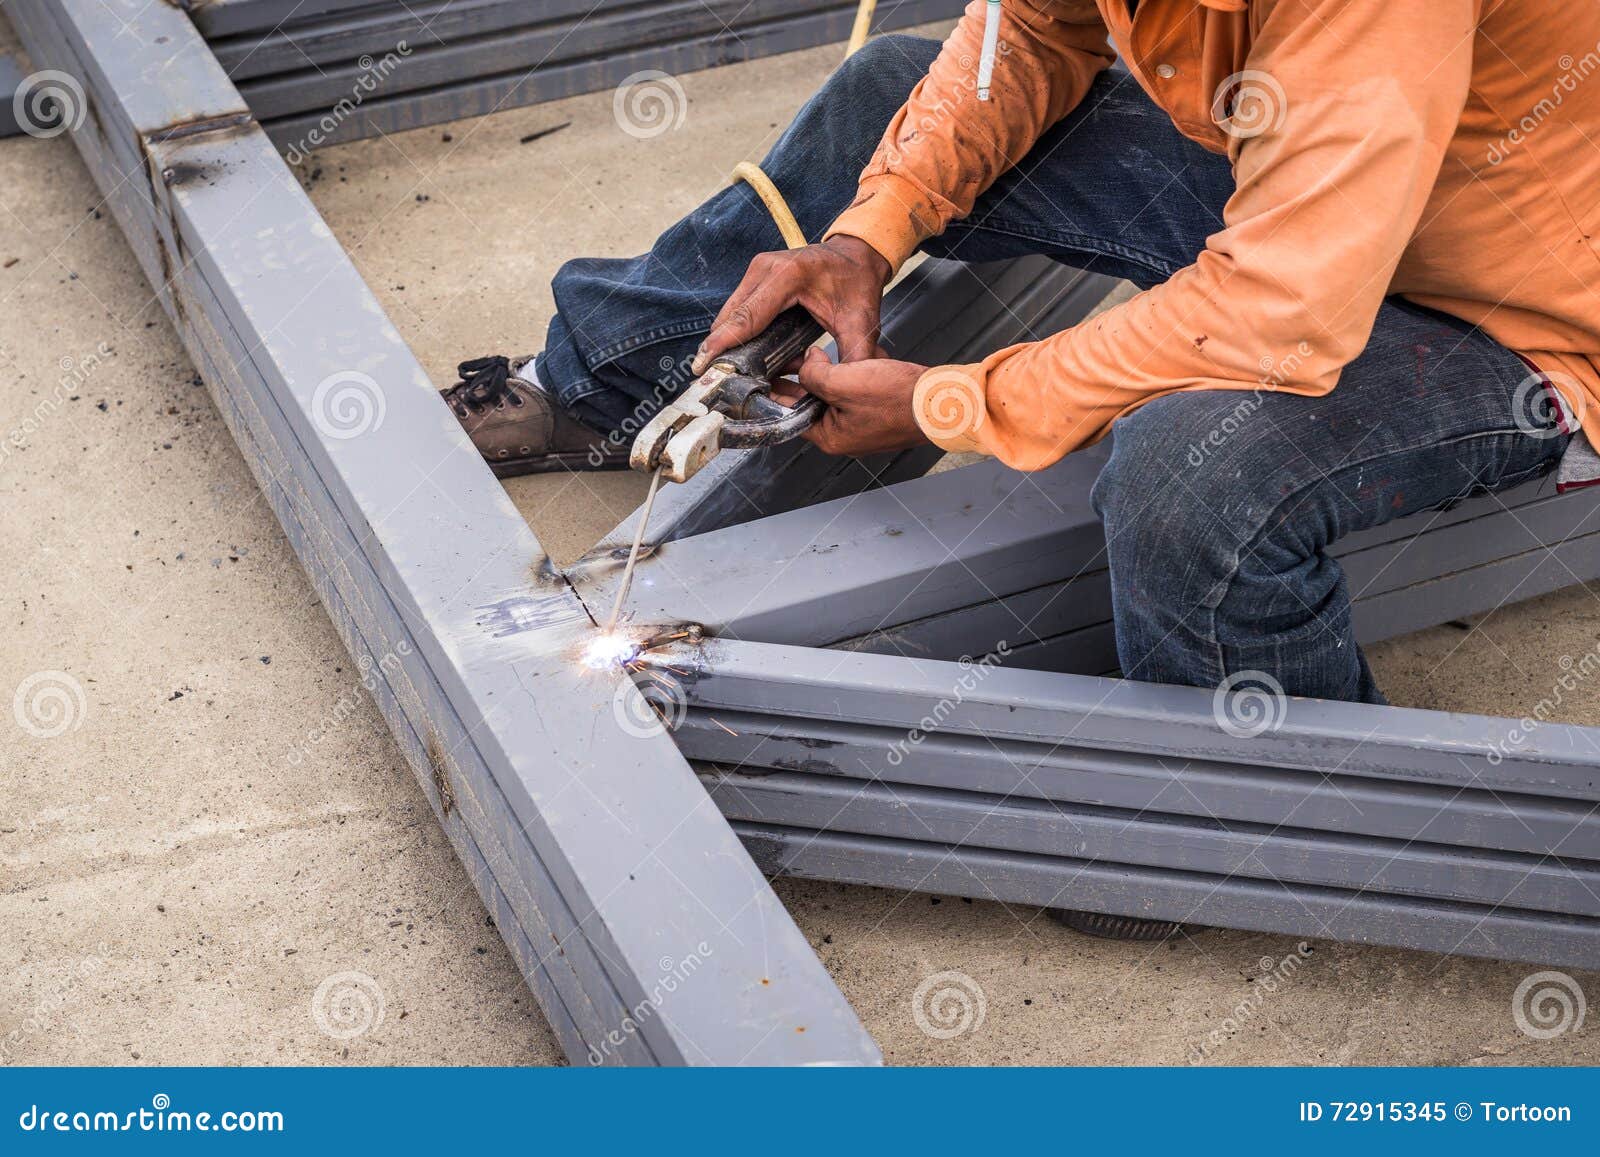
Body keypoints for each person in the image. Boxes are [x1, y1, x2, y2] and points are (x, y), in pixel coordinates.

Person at [444, 0, 1600, 709]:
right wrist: (869, 230)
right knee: (888, 92)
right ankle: (599, 387)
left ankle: (1278, 800)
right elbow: (1032, 36)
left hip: (1513, 313)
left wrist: (951, 401)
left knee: (1185, 471)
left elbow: (1281, 311)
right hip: (1308, 191)